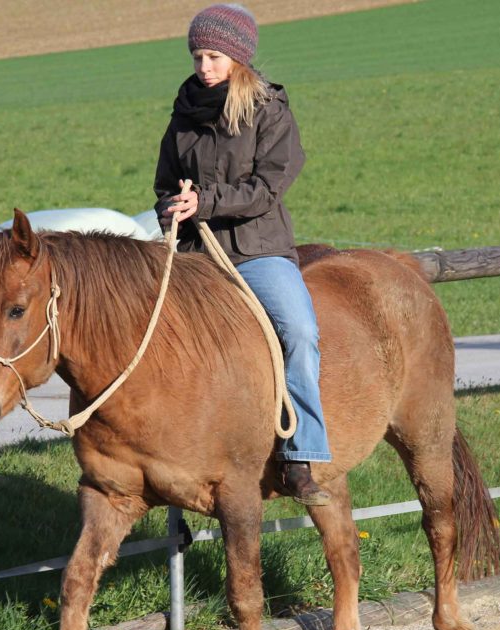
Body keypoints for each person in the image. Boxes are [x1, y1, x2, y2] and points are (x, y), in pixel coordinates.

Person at [153, 3, 332, 505]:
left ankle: (300, 455)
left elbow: (268, 188)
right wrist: (170, 208)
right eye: (197, 56)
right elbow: (164, 184)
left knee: (300, 332)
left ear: (237, 57)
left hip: (257, 250)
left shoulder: (269, 110)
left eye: (213, 56)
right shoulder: (183, 113)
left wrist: (205, 202)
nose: (203, 67)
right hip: (197, 257)